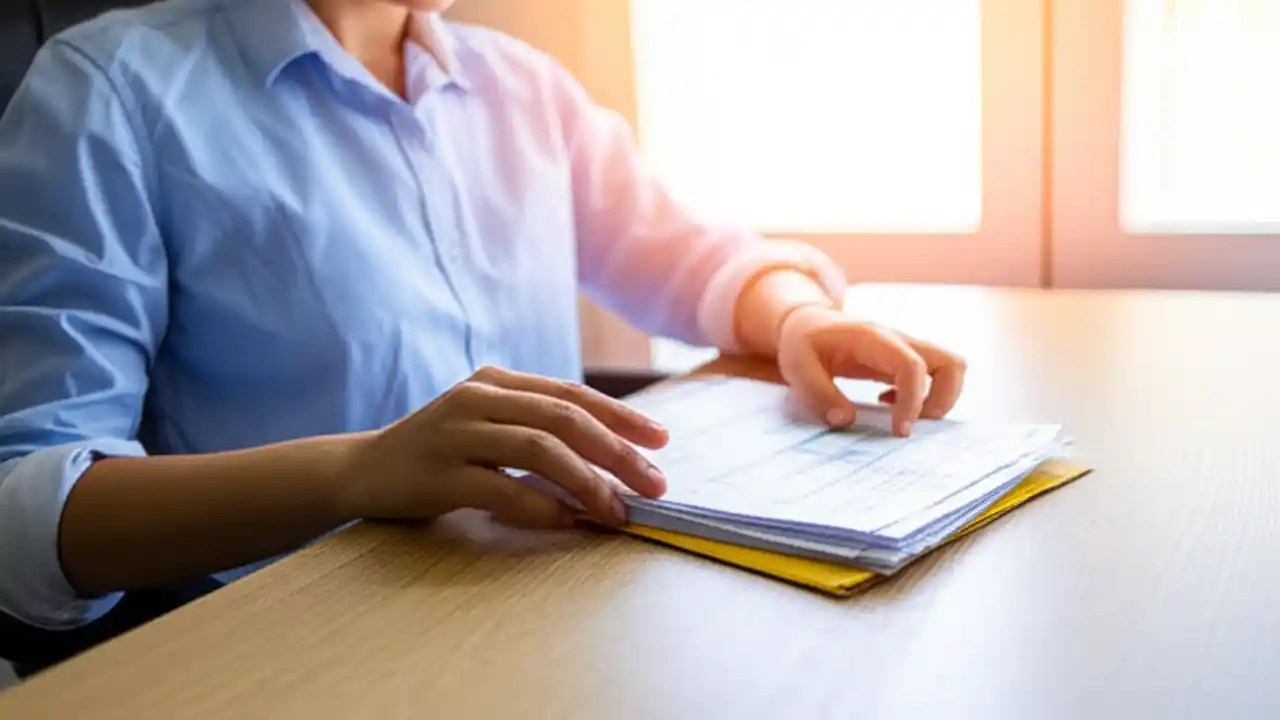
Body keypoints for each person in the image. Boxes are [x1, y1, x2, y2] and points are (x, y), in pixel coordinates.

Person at [0, 0, 966, 655]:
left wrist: (796, 315)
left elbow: (692, 259)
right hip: (293, 644)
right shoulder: (110, 89)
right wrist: (358, 472)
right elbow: (29, 518)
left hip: (539, 606)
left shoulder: (519, 86)